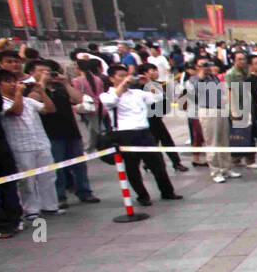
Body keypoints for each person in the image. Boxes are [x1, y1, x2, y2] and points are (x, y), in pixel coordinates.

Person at [99, 65, 183, 206]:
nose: (125, 78)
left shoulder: (137, 93)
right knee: (132, 167)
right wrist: (125, 83)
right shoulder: (107, 95)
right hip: (125, 134)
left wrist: (149, 82)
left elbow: (156, 98)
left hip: (144, 132)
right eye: (121, 75)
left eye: (126, 75)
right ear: (112, 78)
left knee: (158, 165)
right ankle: (142, 195)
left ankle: (167, 192)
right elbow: (110, 102)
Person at [0, 67, 60, 219]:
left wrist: (42, 92)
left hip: (41, 142)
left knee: (48, 176)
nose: (13, 85)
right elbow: (16, 111)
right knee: (27, 181)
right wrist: (18, 93)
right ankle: (31, 209)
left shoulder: (29, 101)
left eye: (14, 81)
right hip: (20, 146)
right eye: (8, 82)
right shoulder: (0, 102)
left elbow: (50, 109)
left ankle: (50, 206)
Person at [36, 60, 98, 206]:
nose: (47, 74)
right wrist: (42, 83)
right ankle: (60, 196)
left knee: (79, 165)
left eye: (49, 71)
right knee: (57, 167)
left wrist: (65, 83)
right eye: (42, 71)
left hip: (71, 131)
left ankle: (84, 192)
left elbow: (78, 99)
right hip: (50, 134)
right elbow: (36, 101)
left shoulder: (61, 87)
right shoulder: (32, 89)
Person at [139, 63, 187, 172]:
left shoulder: (157, 84)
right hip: (149, 118)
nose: (156, 72)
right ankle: (171, 163)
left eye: (156, 70)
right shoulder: (141, 87)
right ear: (145, 73)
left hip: (157, 117)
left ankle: (171, 162)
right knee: (161, 141)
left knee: (161, 141)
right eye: (153, 70)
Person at [0, 90, 22, 237]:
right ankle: (14, 220)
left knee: (1, 187)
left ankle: (1, 226)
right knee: (8, 184)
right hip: (0, 145)